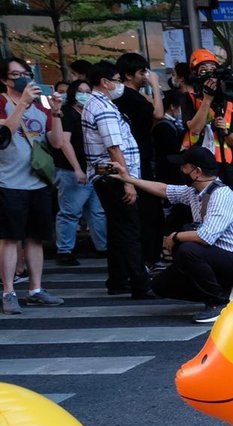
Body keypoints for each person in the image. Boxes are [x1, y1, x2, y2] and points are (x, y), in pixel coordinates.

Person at [111, 146, 233, 323]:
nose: (180, 170)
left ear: (197, 171)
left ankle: (217, 303)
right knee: (159, 285)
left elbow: (205, 237)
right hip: (216, 256)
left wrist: (175, 237)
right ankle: (224, 289)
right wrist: (128, 179)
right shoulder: (196, 191)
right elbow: (164, 190)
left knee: (187, 249)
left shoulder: (220, 195)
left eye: (184, 166)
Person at [1, 56, 65, 314]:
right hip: (8, 182)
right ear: (4, 80)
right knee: (9, 238)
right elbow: (4, 135)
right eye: (16, 75)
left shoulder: (41, 107)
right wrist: (22, 103)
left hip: (38, 182)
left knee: (35, 238)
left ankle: (36, 289)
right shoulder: (2, 103)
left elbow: (57, 142)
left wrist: (56, 113)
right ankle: (8, 292)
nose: (23, 78)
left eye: (26, 73)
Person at [83, 60, 152, 299]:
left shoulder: (98, 104)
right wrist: (128, 181)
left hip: (108, 175)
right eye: (117, 80)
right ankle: (140, 284)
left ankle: (118, 279)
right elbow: (113, 147)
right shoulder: (102, 107)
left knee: (118, 229)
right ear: (105, 82)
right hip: (114, 176)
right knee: (129, 229)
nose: (120, 85)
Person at [114, 52, 164, 272]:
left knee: (148, 211)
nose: (146, 75)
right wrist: (156, 86)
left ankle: (148, 259)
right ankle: (146, 260)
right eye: (142, 72)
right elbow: (158, 114)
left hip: (140, 156)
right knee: (147, 212)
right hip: (137, 159)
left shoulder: (131, 96)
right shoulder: (128, 96)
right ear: (128, 74)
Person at [53, 80, 107, 265]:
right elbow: (64, 142)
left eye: (88, 91)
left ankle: (103, 247)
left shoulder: (89, 112)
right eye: (80, 91)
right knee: (70, 212)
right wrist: (77, 168)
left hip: (93, 170)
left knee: (97, 211)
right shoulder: (67, 113)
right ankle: (64, 251)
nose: (84, 94)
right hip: (72, 170)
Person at [182, 49, 233, 188]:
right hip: (200, 167)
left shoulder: (230, 102)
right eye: (204, 70)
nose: (209, 74)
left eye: (212, 69)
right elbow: (195, 129)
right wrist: (207, 99)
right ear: (195, 74)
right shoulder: (189, 99)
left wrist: (225, 131)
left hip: (226, 165)